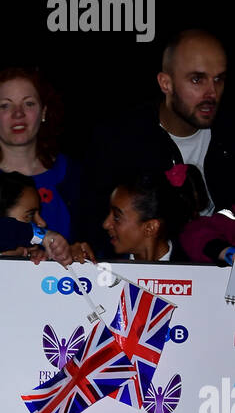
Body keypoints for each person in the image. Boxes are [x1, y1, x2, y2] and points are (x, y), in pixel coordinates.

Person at [84, 30, 234, 251]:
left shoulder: (229, 135)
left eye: (219, 79)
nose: (211, 93)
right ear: (166, 83)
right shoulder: (119, 141)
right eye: (197, 79)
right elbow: (95, 226)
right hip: (143, 277)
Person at [0, 67, 89, 242]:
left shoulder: (76, 176)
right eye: (6, 105)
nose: (18, 114)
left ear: (44, 111)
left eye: (28, 103)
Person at [101, 171, 188, 262]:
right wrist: (85, 267)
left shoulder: (194, 271)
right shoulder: (102, 265)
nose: (106, 224)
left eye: (116, 217)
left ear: (150, 227)